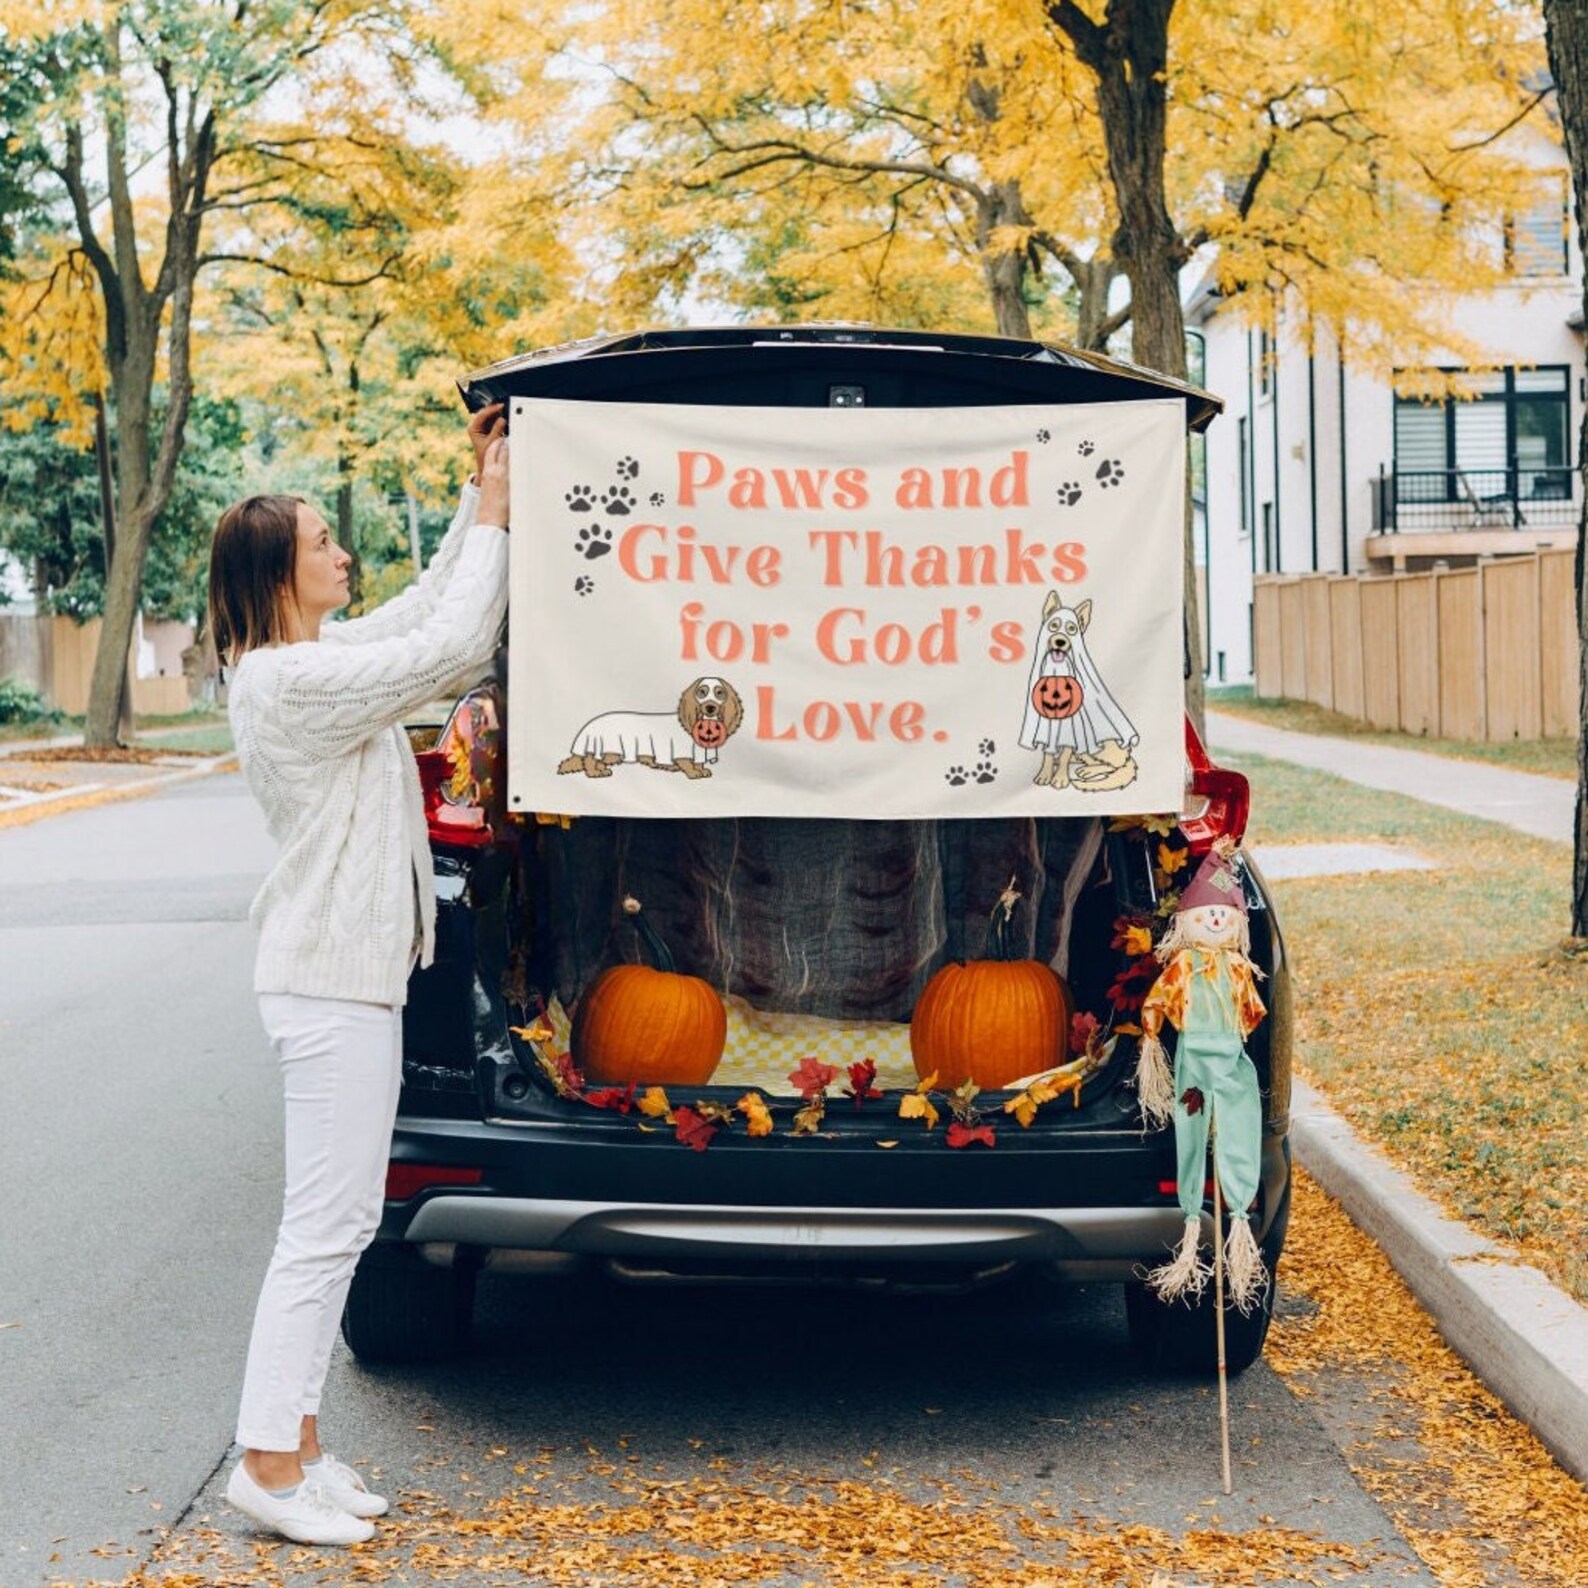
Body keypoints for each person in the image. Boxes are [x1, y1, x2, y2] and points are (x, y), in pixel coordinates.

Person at [205, 406, 512, 1545]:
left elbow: (426, 611)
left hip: (351, 980)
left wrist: (477, 489)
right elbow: (451, 650)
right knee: (325, 1229)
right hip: (330, 985)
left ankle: (301, 1448)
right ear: (278, 574)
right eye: (323, 541)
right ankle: (265, 1465)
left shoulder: (317, 661)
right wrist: (496, 513)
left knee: (337, 1224)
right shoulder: (285, 683)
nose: (342, 553)